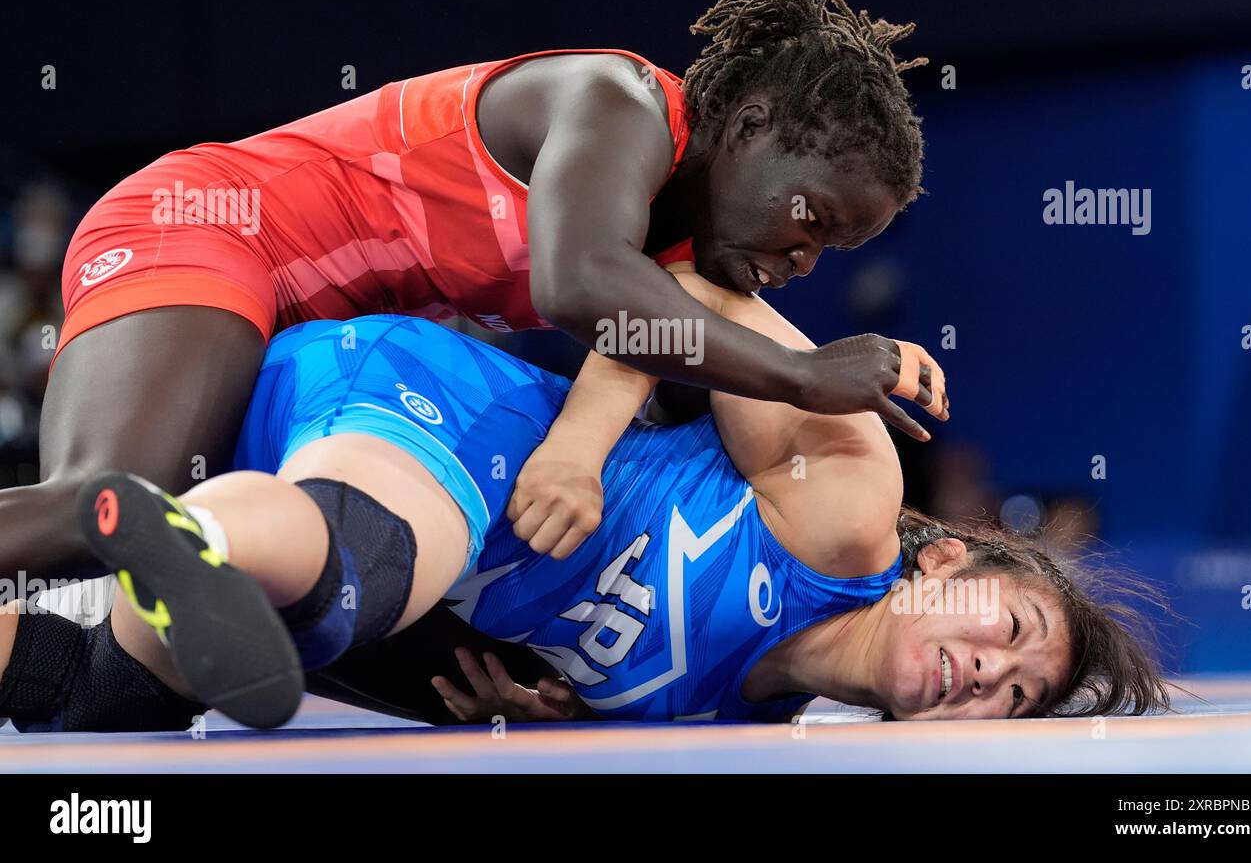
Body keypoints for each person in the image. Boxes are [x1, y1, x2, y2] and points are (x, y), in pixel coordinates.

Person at [2, 0, 933, 590]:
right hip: (212, 225)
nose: (806, 257)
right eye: (810, 215)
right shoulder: (621, 105)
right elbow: (583, 285)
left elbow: (705, 423)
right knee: (104, 508)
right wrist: (804, 373)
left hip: (304, 345)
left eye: (832, 248)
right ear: (751, 125)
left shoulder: (693, 259)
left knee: (192, 540)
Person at [0, 269, 1168, 730]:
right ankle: (183, 537)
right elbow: (681, 282)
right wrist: (577, 445)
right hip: (440, 412)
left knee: (98, 700)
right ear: (950, 563)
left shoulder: (734, 726)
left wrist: (556, 724)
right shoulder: (845, 508)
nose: (985, 673)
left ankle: (158, 568)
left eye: (1014, 698)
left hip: (376, 513)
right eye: (1007, 631)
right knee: (358, 575)